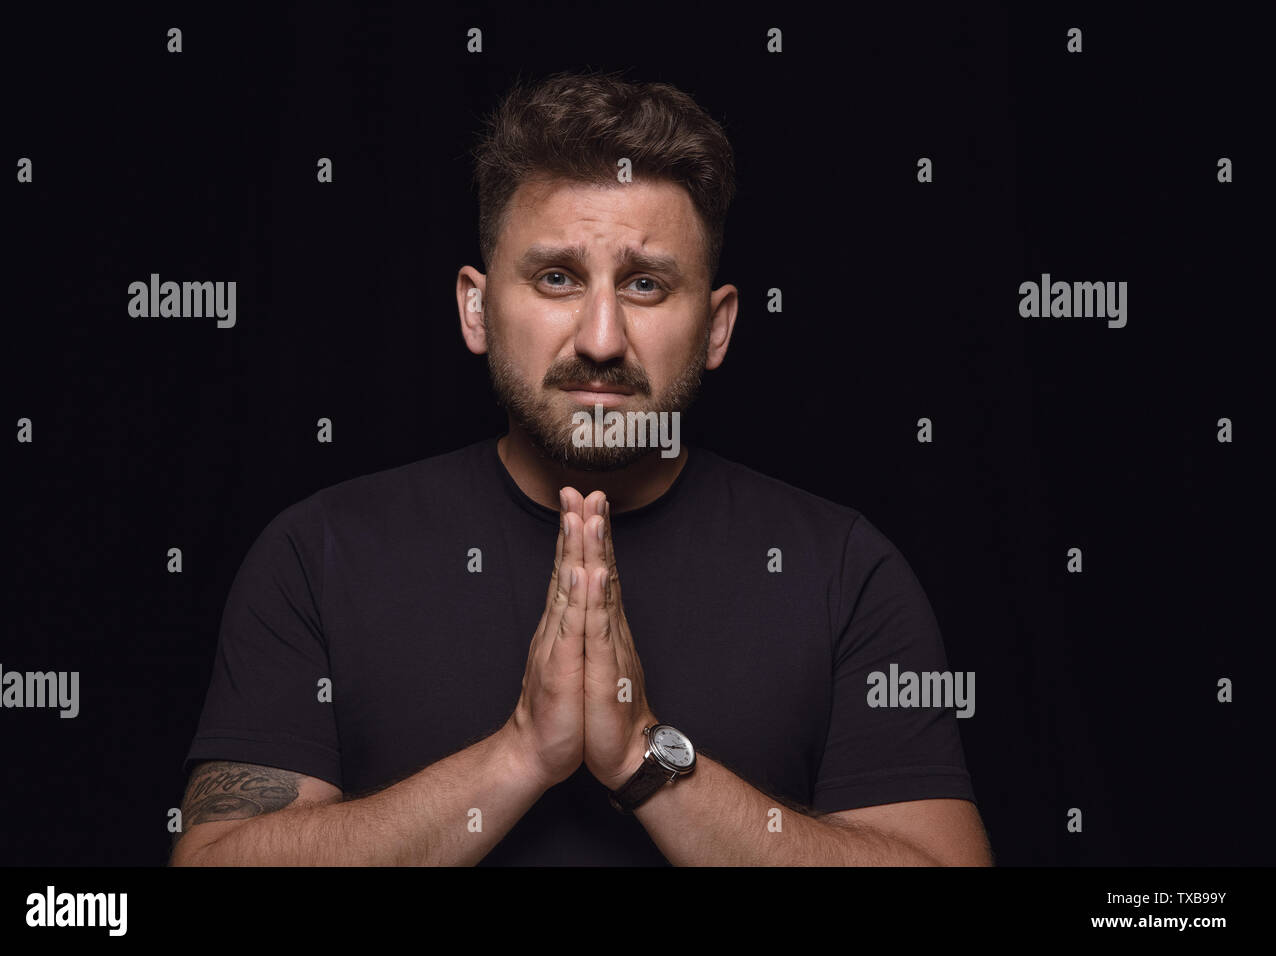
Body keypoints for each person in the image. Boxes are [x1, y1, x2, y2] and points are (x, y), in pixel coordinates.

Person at [171, 70, 993, 866]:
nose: (601, 338)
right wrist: (522, 755)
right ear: (476, 307)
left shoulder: (845, 571)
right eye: (557, 277)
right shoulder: (319, 555)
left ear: (717, 327)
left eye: (644, 284)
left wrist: (645, 761)